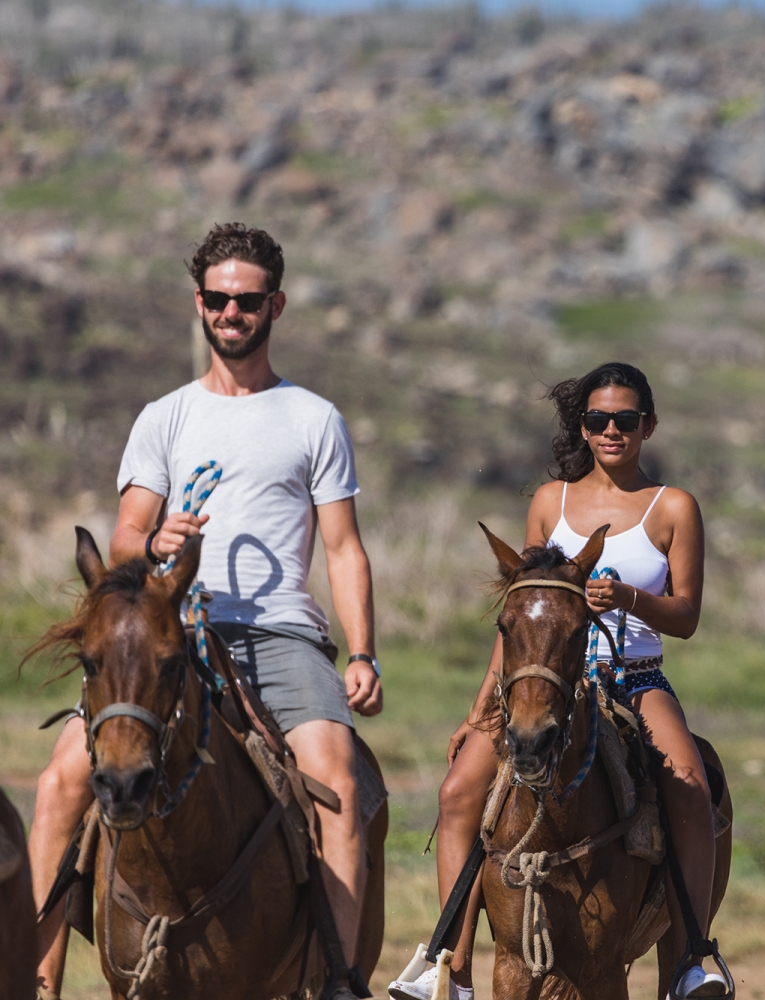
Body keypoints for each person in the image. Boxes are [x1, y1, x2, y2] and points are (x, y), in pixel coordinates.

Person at [28, 223, 382, 1000]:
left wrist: (361, 651)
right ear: (199, 303)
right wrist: (156, 538)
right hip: (170, 630)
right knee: (60, 781)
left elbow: (345, 548)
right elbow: (124, 536)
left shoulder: (313, 418)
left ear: (275, 305)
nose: (231, 312)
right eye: (218, 299)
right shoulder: (166, 416)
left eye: (247, 300)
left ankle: (341, 981)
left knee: (341, 783)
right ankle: (37, 979)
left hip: (281, 631)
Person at [389, 361, 726, 1000]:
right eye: (599, 420)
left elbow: (685, 616)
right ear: (583, 425)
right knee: (459, 789)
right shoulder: (552, 501)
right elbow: (520, 616)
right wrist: (481, 704)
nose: (611, 431)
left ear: (648, 426)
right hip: (546, 677)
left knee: (689, 789)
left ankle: (689, 959)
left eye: (626, 420)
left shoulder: (673, 507)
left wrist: (627, 596)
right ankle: (449, 964)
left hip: (633, 676)